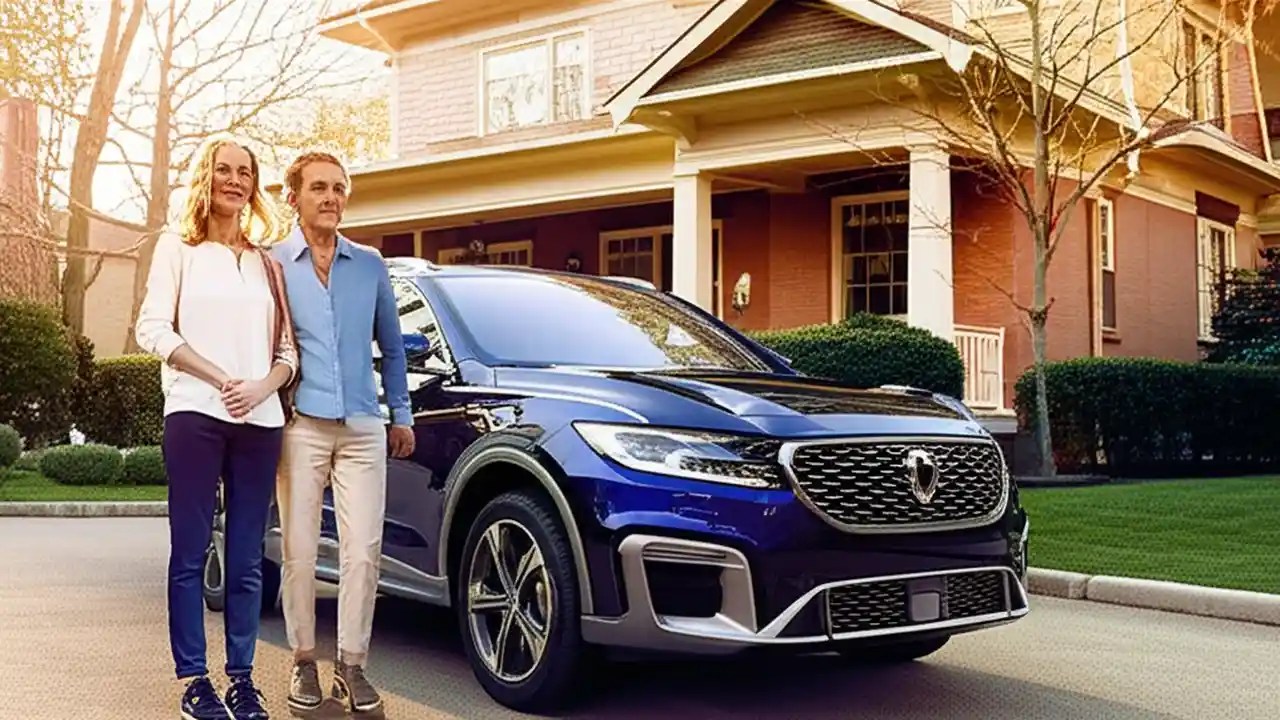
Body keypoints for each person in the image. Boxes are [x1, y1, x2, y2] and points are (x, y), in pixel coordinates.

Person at [136, 133, 297, 720]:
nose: (235, 180)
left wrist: (261, 385)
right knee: (191, 549)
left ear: (255, 185)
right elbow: (151, 329)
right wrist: (217, 374)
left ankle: (243, 679)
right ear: (206, 176)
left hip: (261, 419)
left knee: (249, 557)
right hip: (195, 416)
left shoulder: (266, 263)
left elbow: (287, 351)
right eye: (224, 169)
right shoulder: (177, 248)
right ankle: (195, 680)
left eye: (245, 172)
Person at [271, 151, 414, 716]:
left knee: (363, 554)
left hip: (362, 426)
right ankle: (304, 660)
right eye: (319, 188)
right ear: (295, 197)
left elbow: (394, 346)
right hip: (301, 424)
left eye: (339, 189)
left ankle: (351, 665)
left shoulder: (371, 264)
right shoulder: (274, 262)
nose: (331, 198)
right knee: (301, 552)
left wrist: (399, 412)